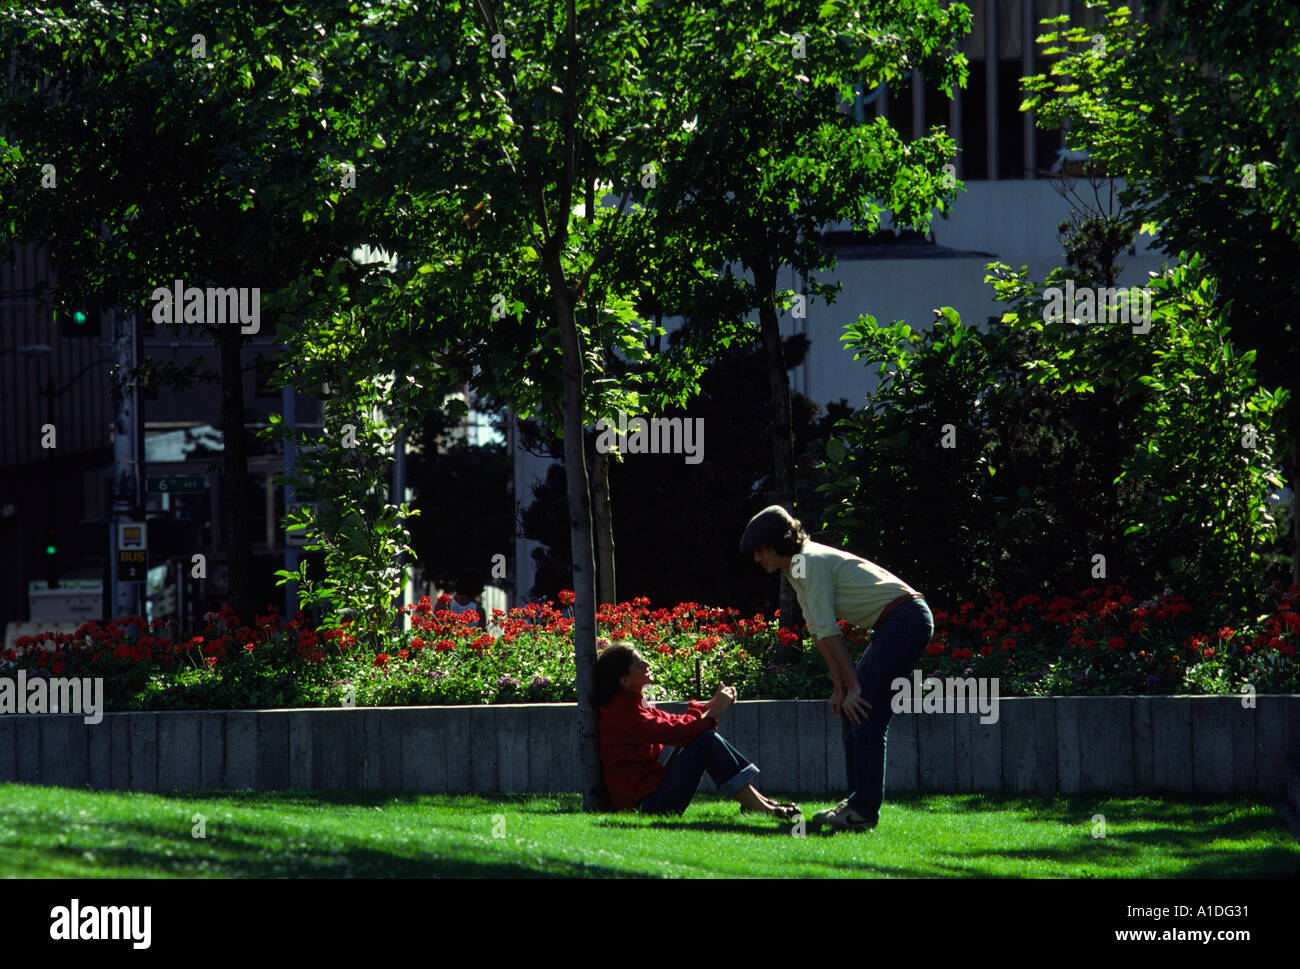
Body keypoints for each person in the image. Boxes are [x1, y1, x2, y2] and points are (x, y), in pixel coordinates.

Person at [740, 504, 934, 833]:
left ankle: (862, 810)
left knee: (866, 713)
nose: (758, 559)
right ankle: (857, 803)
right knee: (852, 711)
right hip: (896, 623)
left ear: (779, 542)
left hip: (906, 620)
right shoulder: (795, 569)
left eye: (761, 550)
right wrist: (841, 688)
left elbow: (829, 630)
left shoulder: (808, 562)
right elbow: (819, 632)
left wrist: (854, 688)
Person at [595, 642, 800, 821]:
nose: (647, 665)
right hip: (647, 805)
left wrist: (710, 705)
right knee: (705, 741)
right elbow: (679, 733)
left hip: (652, 795)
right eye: (639, 665)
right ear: (624, 681)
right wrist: (716, 710)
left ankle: (758, 803)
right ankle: (759, 806)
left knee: (704, 739)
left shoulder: (630, 704)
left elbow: (675, 722)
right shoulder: (623, 713)